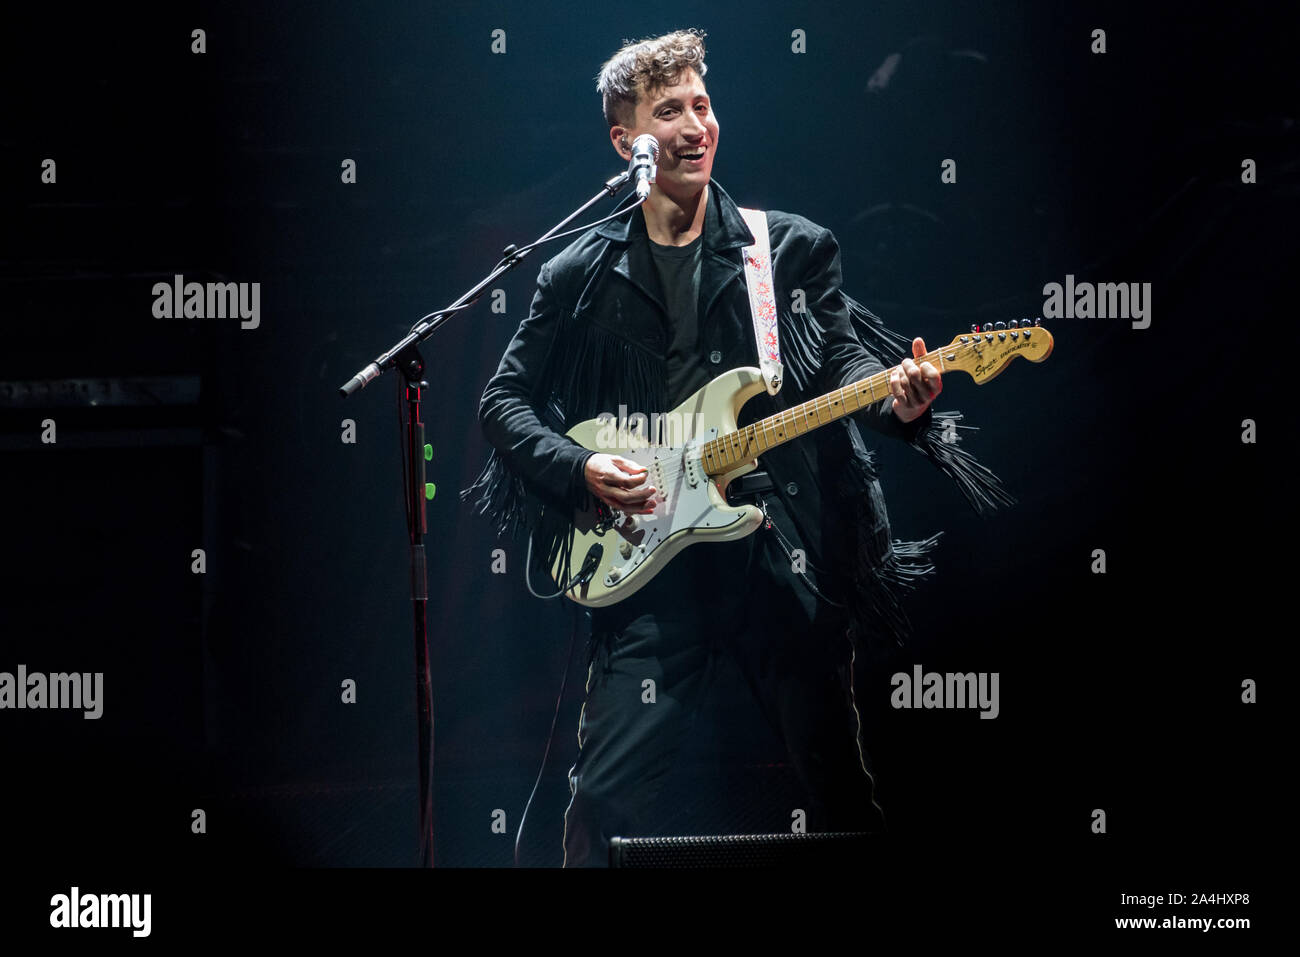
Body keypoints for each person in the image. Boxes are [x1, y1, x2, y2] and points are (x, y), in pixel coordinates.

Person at [462, 28, 1008, 867]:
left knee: (839, 792)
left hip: (777, 552)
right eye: (669, 110)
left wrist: (902, 400)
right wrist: (580, 467)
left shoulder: (786, 248)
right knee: (600, 800)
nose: (694, 125)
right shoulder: (576, 269)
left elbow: (844, 363)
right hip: (648, 566)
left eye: (702, 105)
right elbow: (503, 399)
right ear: (627, 142)